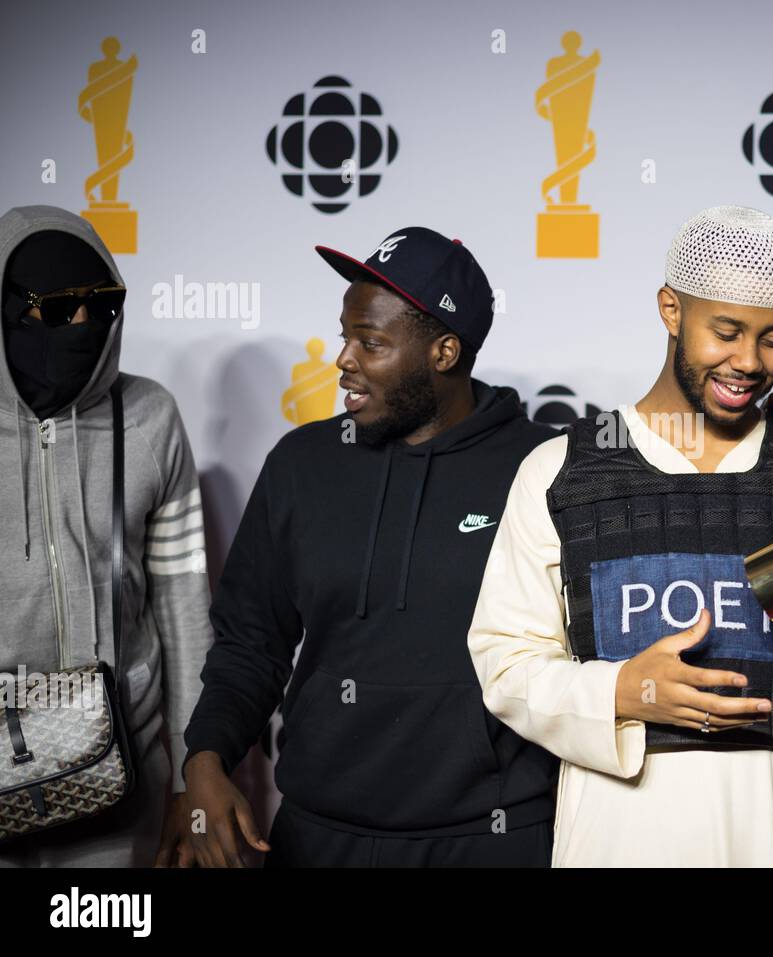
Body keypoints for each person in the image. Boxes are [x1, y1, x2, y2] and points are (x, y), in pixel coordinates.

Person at [468, 205, 773, 867]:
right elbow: (506, 663)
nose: (750, 362)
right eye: (725, 331)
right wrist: (620, 690)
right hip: (625, 837)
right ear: (671, 309)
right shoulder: (557, 473)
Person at [182, 227, 559, 867]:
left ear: (443, 352)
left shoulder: (543, 467)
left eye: (372, 343)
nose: (344, 360)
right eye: (345, 337)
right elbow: (252, 643)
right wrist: (206, 758)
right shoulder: (301, 464)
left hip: (494, 840)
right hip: (317, 839)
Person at [0, 204, 212, 867]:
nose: (84, 325)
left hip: (121, 772)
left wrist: (188, 779)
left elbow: (184, 617)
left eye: (102, 304)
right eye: (59, 310)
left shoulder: (151, 417)